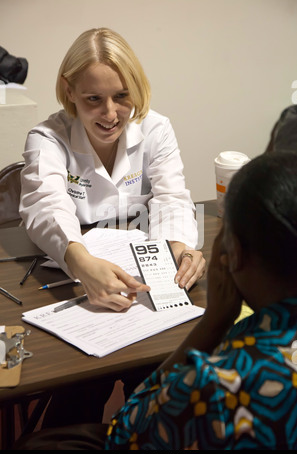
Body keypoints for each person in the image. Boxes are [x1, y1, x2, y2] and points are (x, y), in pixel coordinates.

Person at [14, 150, 297, 450]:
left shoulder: (215, 382)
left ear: (234, 254)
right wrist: (79, 259)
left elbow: (126, 432)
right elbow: (46, 204)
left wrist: (214, 320)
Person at [19, 27, 205, 313]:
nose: (109, 114)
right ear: (69, 90)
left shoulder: (156, 128)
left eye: (121, 96)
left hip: (138, 262)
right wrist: (82, 264)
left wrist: (178, 250)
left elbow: (172, 198)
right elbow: (46, 206)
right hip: (65, 266)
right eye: (93, 98)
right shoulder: (46, 138)